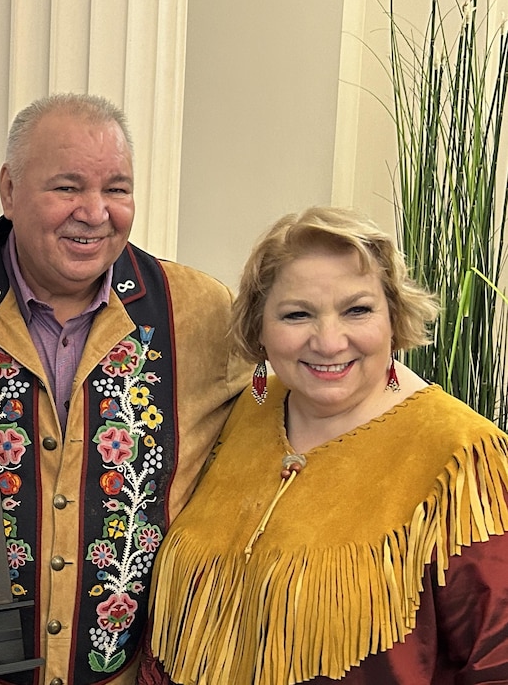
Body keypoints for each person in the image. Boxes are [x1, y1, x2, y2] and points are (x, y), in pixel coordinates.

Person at [0, 93, 251, 685]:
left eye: (116, 189)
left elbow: (292, 417)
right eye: (67, 187)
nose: (95, 212)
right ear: (9, 190)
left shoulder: (197, 309)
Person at [146, 207, 508, 684]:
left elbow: (494, 661)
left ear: (394, 316)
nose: (329, 341)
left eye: (357, 310)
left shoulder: (462, 455)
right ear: (259, 329)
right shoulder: (240, 415)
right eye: (298, 314)